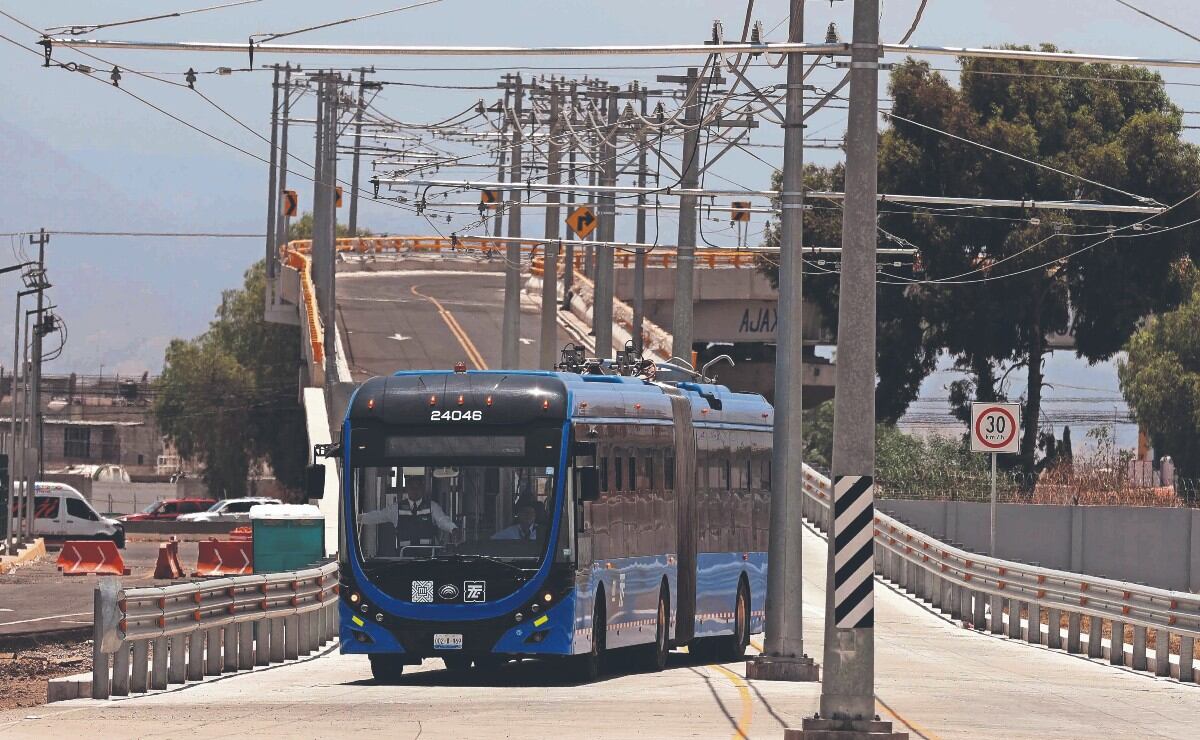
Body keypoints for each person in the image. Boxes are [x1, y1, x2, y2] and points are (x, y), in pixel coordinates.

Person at [361, 475, 458, 549]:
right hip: (404, 557)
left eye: (418, 487)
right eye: (412, 487)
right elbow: (379, 516)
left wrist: (453, 529)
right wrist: (358, 518)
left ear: (422, 489)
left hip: (427, 558)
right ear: (407, 489)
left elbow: (443, 520)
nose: (415, 491)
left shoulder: (432, 507)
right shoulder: (396, 508)